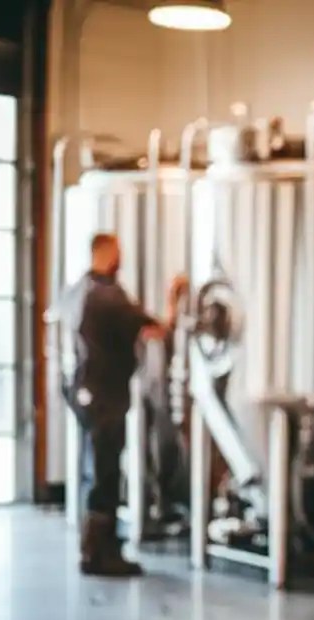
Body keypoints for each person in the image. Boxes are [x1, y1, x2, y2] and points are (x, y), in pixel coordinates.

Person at [56, 232, 188, 577]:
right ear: (108, 252)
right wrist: (174, 297)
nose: (122, 257)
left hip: (82, 391)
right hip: (104, 395)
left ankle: (97, 547)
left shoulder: (79, 290)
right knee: (106, 473)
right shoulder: (108, 297)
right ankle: (100, 553)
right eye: (118, 251)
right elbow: (157, 330)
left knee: (96, 470)